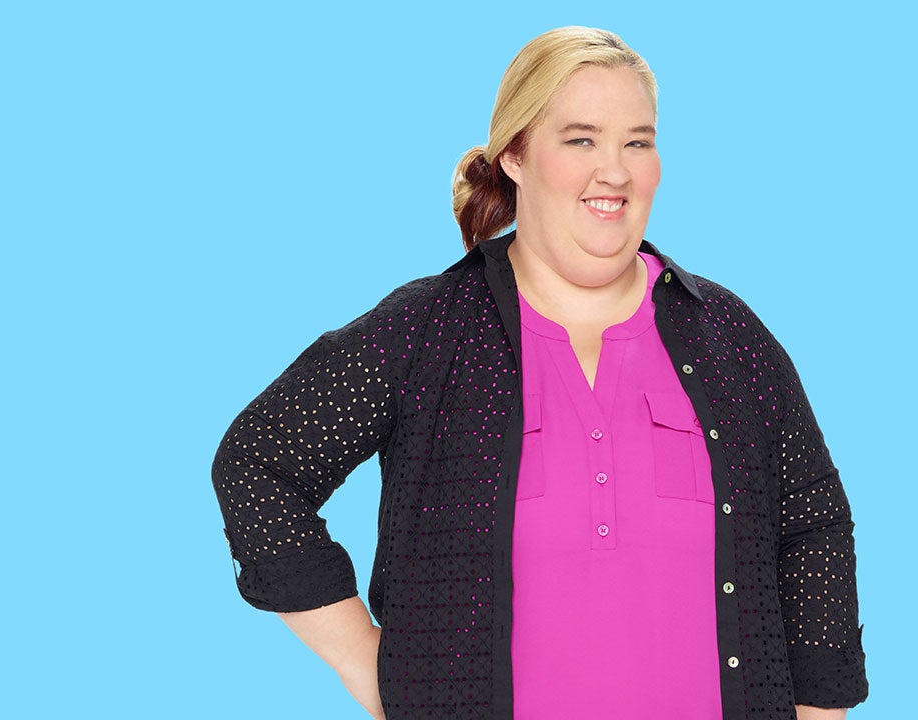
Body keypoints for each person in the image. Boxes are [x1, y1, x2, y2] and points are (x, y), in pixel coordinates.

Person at [212, 26, 868, 720]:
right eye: (581, 139)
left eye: (637, 142)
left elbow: (813, 524)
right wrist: (362, 659)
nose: (614, 171)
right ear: (516, 155)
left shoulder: (727, 334)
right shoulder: (428, 331)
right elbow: (257, 466)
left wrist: (820, 711)